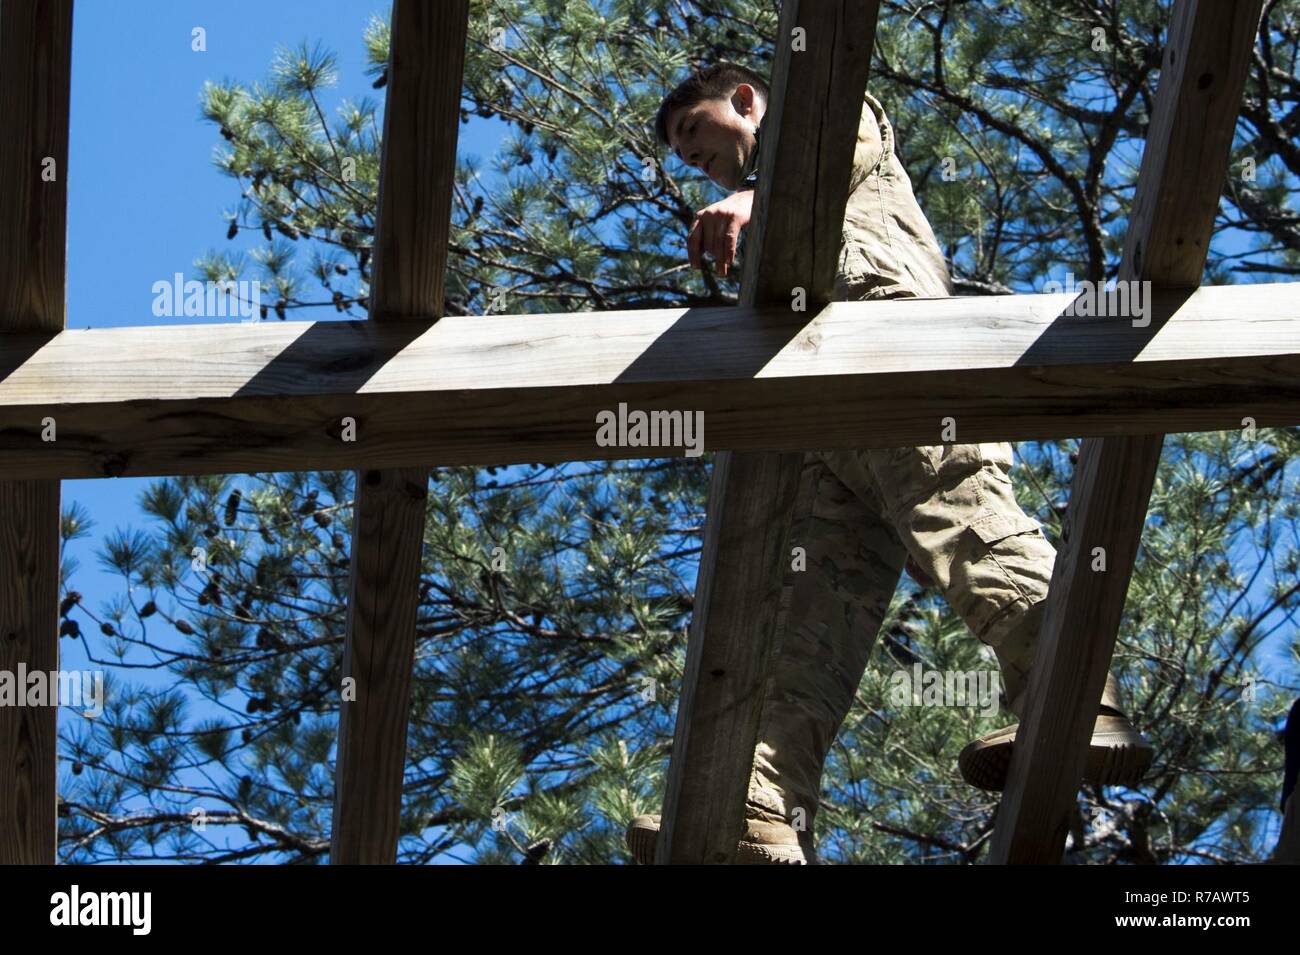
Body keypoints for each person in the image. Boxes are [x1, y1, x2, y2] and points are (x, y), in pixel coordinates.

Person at [625, 62, 1154, 865]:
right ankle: (761, 806)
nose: (688, 154)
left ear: (743, 100)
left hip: (893, 352)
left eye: (693, 131)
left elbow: (827, 164)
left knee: (964, 513)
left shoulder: (827, 117)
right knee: (804, 615)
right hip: (822, 421)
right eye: (677, 149)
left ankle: (1077, 695)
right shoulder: (760, 200)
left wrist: (755, 201)